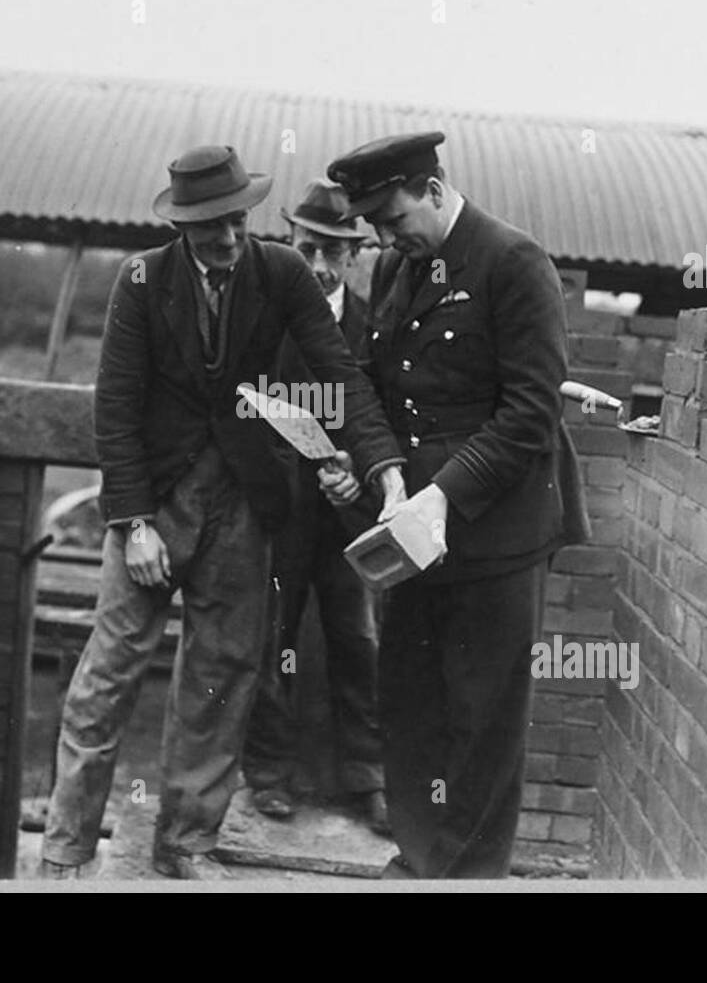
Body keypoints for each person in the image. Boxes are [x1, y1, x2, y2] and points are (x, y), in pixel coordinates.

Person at [41, 145, 405, 880]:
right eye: (212, 227)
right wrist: (134, 522)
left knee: (221, 675)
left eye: (238, 220)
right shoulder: (141, 280)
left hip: (244, 504)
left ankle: (186, 843)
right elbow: (114, 408)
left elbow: (340, 375)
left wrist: (381, 465)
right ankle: (65, 850)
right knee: (107, 675)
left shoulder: (281, 272)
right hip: (159, 503)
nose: (230, 239)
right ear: (182, 225)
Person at [323, 132, 590, 879]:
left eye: (394, 215)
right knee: (409, 699)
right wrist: (380, 473)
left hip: (496, 531)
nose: (384, 236)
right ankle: (418, 858)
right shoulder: (397, 268)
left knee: (482, 715)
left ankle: (466, 874)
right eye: (373, 225)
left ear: (433, 188)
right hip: (411, 531)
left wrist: (442, 494)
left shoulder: (513, 262)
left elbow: (532, 411)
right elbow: (370, 386)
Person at [241, 179, 388, 834]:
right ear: (289, 244)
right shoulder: (264, 317)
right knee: (272, 633)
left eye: (335, 251)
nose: (322, 264)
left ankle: (369, 777)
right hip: (281, 506)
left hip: (346, 510)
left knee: (358, 639)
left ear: (355, 253)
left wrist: (356, 470)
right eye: (309, 248)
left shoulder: (372, 325)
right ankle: (267, 773)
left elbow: (378, 414)